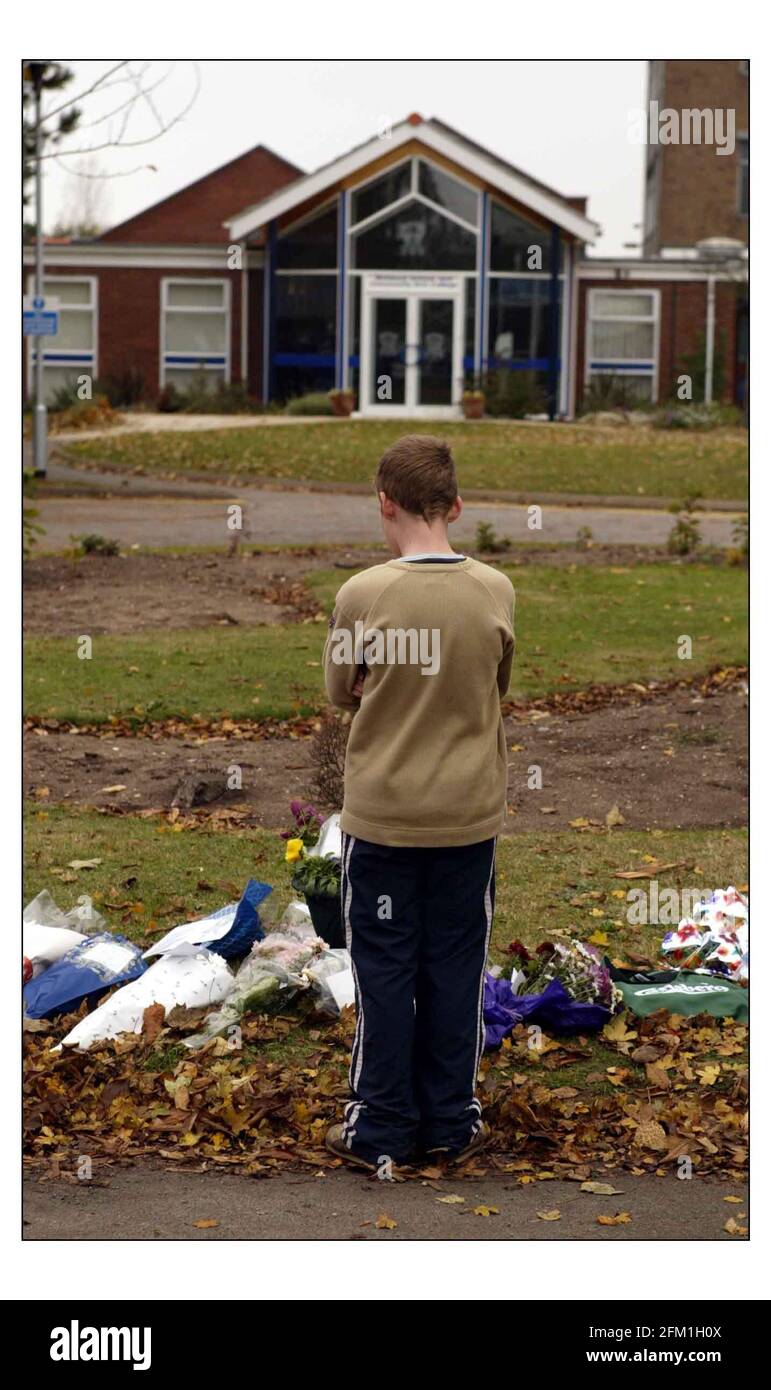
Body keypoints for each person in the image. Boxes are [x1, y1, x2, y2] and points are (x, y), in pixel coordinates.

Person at [323, 434, 515, 1171]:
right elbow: (493, 689)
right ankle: (448, 1121)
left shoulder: (361, 595)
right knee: (456, 965)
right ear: (456, 507)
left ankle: (378, 1124)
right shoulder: (494, 590)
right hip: (466, 817)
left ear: (384, 504)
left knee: (383, 965)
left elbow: (342, 691)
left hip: (384, 818)